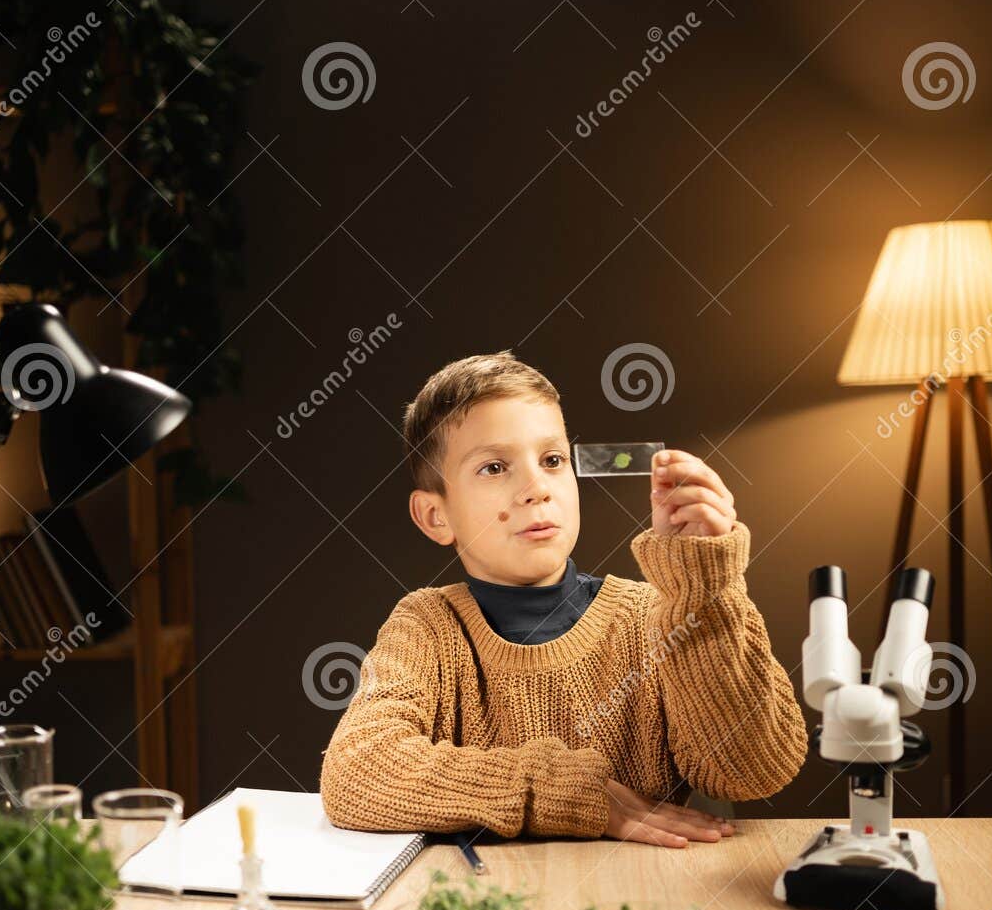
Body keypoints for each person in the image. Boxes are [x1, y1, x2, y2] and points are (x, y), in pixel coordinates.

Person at [318, 351, 807, 847]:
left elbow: (753, 770)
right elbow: (357, 773)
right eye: (493, 467)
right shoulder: (427, 628)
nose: (536, 488)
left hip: (639, 906)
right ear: (435, 517)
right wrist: (571, 793)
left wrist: (702, 587)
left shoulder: (652, 619)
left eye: (552, 460)